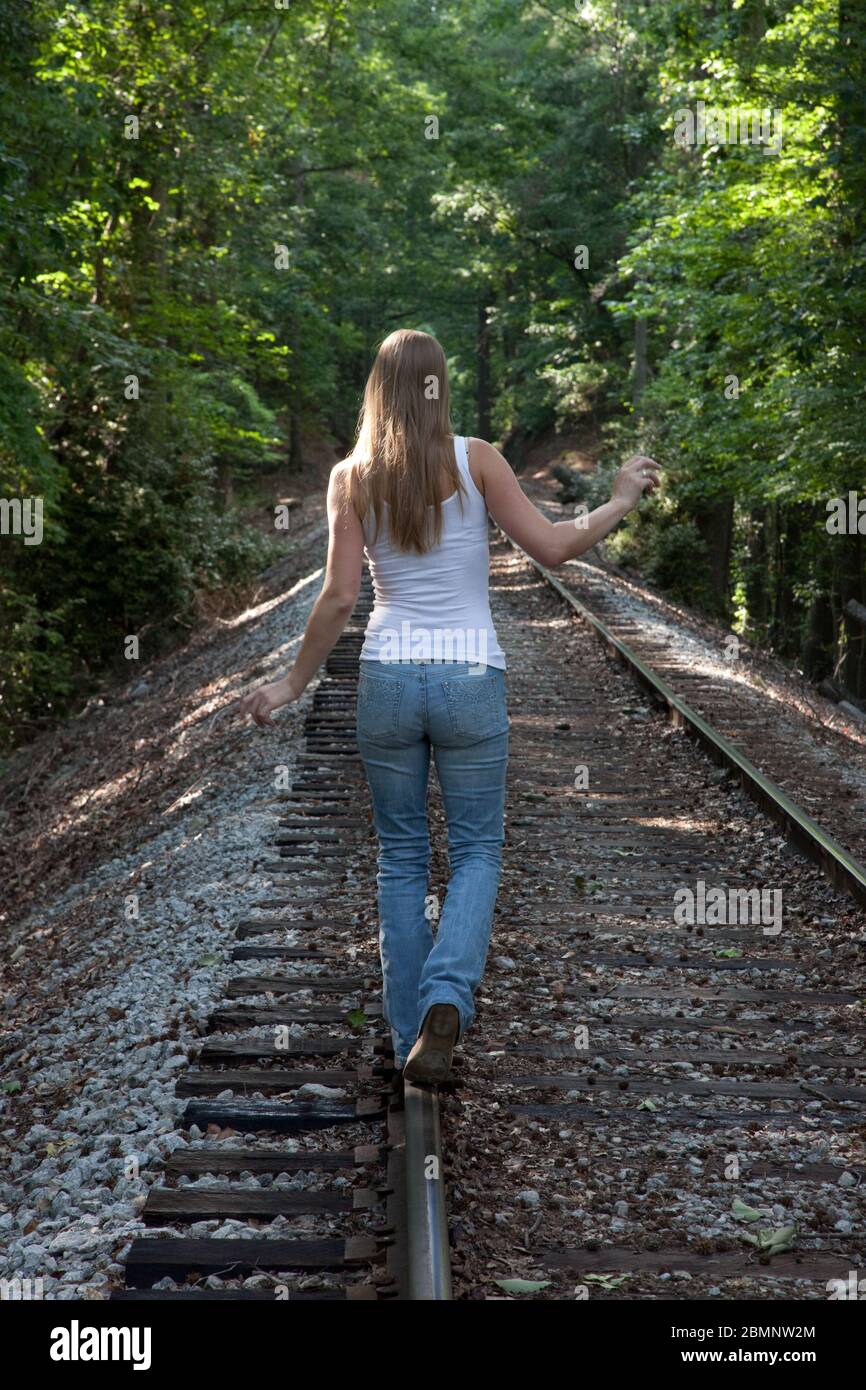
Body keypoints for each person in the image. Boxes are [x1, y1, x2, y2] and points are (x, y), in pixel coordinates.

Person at [239, 328, 660, 1084]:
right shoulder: (477, 459)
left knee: (402, 857)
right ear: (440, 386)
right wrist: (620, 499)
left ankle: (410, 1030)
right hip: (470, 677)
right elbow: (556, 547)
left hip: (389, 681)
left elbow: (339, 598)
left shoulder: (351, 476)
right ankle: (445, 996)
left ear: (376, 388)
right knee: (475, 851)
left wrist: (291, 683)